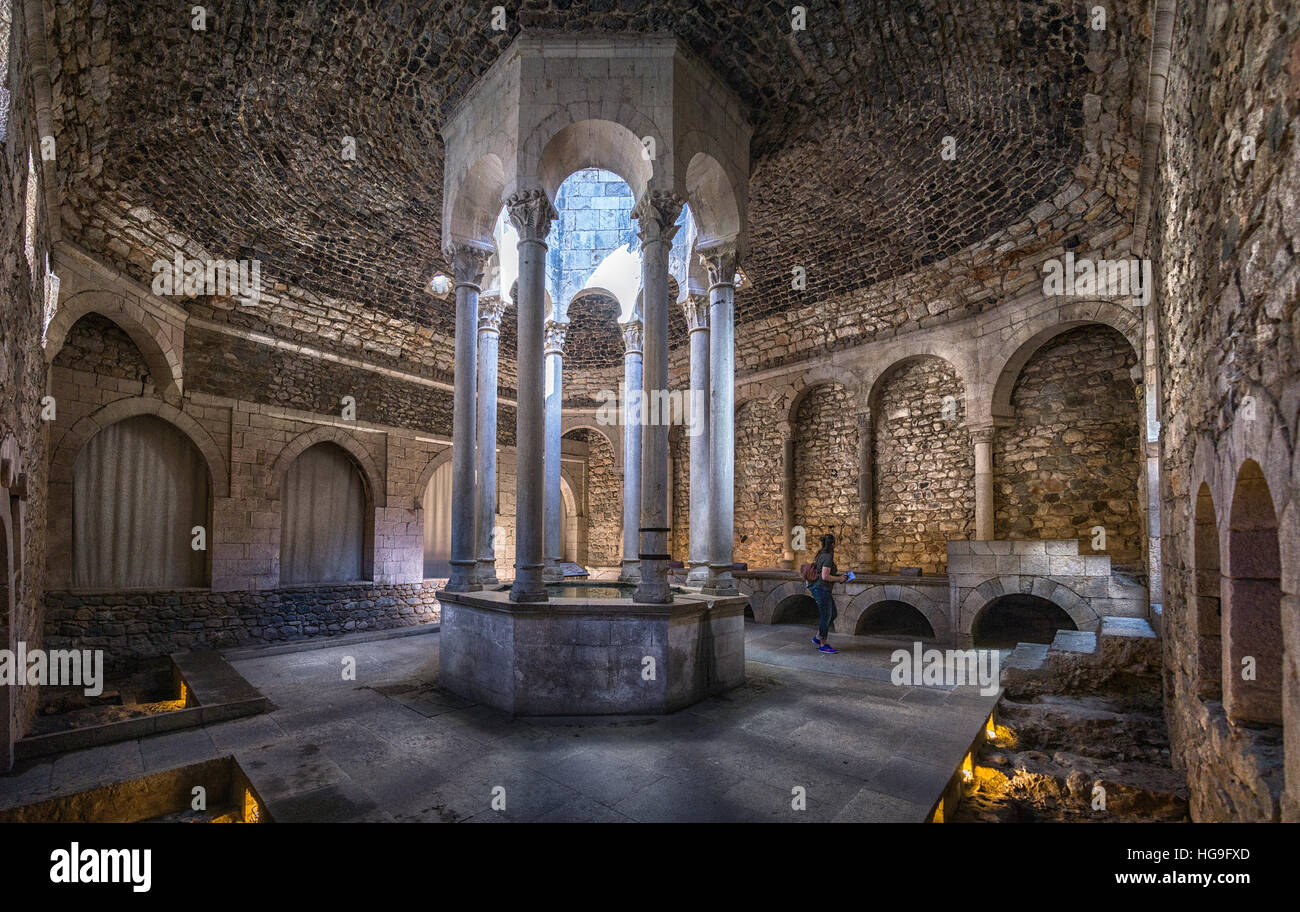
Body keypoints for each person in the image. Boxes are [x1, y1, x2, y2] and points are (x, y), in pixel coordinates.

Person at [808, 533, 848, 653]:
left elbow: (823, 573)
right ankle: (823, 644)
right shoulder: (827, 557)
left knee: (833, 614)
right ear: (833, 544)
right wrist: (839, 579)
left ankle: (817, 637)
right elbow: (825, 576)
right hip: (821, 589)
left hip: (821, 588)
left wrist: (840, 576)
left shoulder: (821, 554)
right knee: (826, 616)